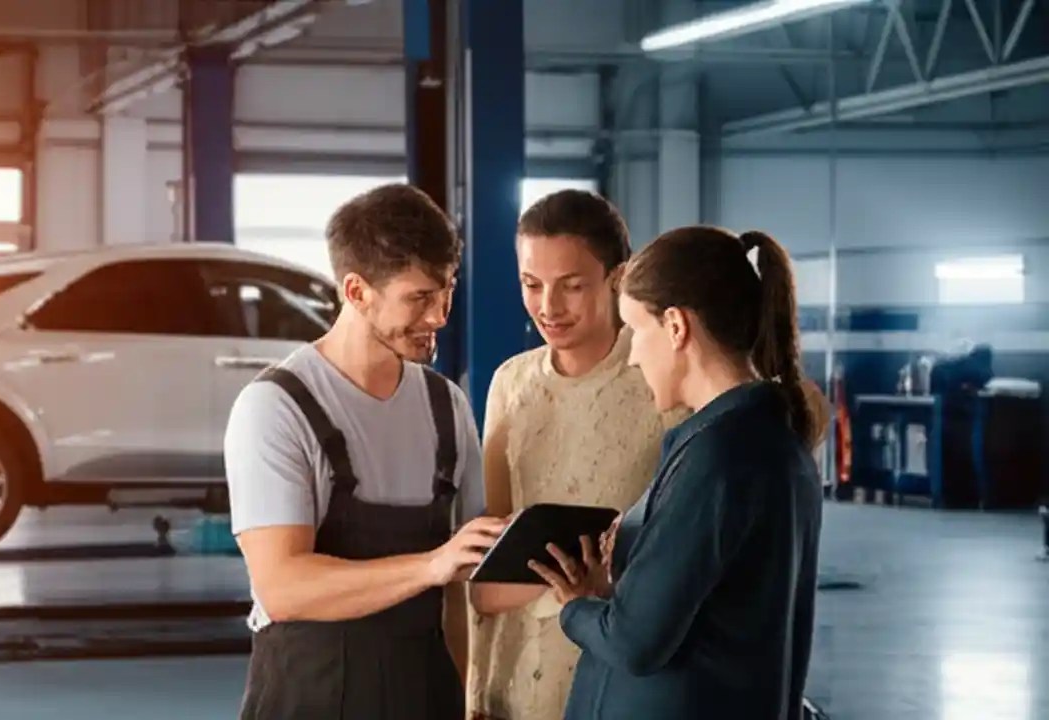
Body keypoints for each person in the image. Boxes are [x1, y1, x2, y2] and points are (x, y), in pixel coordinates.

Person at [224, 183, 506, 720]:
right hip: (310, 695)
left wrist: (470, 693)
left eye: (447, 289)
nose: (440, 315)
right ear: (356, 292)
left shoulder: (446, 406)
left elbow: (460, 588)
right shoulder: (275, 408)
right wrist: (429, 566)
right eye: (419, 297)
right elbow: (283, 586)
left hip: (425, 693)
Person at [529, 225, 824, 720]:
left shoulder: (719, 458)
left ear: (675, 326)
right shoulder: (762, 439)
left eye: (637, 331)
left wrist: (577, 605)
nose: (634, 355)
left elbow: (634, 644)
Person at [466, 190, 680, 720]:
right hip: (510, 682)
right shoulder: (510, 383)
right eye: (531, 284)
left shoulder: (662, 377)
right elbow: (490, 561)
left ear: (618, 277)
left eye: (572, 285)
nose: (548, 307)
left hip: (615, 679)